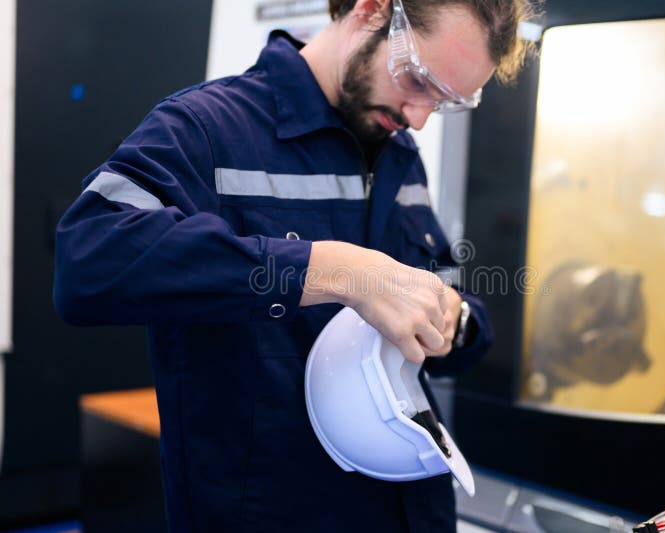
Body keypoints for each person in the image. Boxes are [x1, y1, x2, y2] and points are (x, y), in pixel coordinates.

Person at [54, 0, 534, 530]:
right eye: (418, 79)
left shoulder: (398, 154)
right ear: (371, 11)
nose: (417, 119)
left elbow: (453, 306)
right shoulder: (208, 128)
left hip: (411, 510)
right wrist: (327, 269)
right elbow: (89, 259)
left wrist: (454, 317)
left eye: (445, 101)